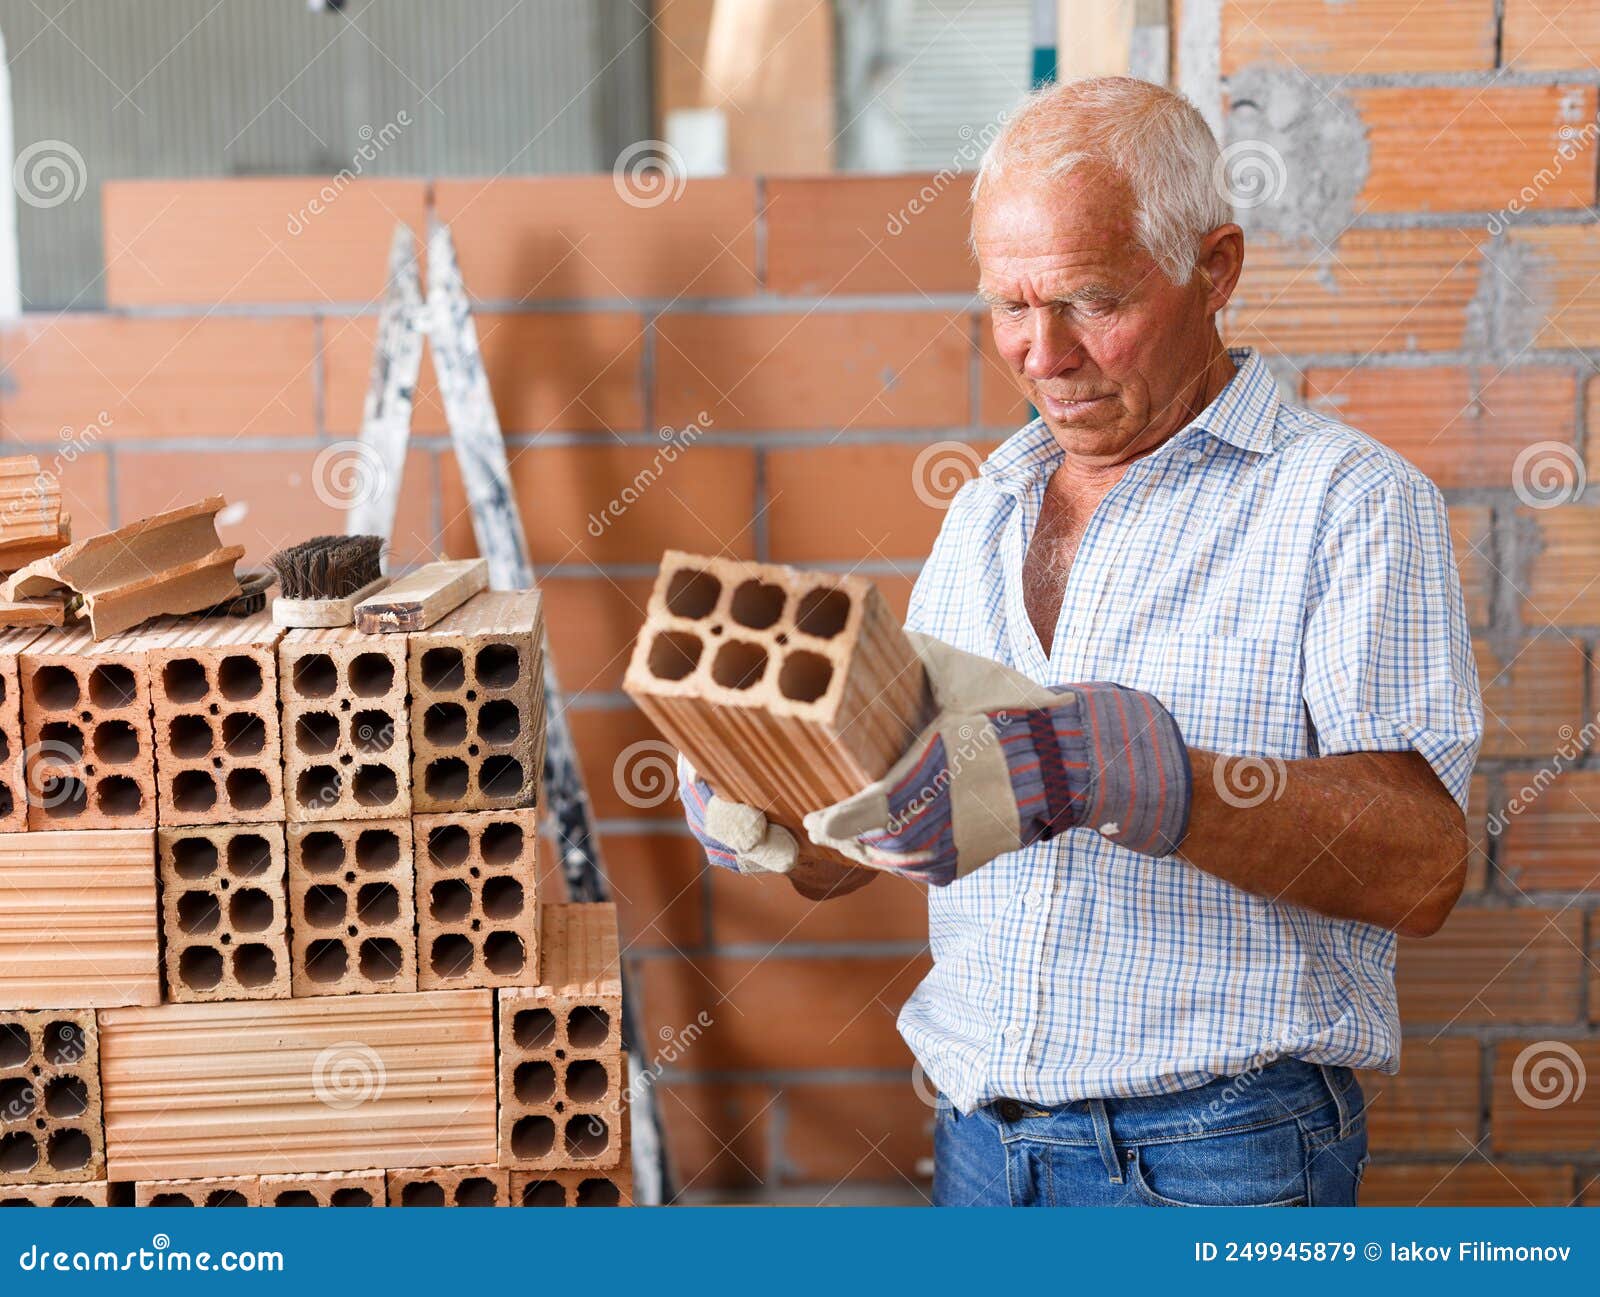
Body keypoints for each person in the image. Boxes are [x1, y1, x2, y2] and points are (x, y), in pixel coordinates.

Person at [677, 76, 1482, 1207]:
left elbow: (1426, 865)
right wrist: (774, 807)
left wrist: (1143, 774)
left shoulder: (1344, 503)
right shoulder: (985, 507)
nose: (1041, 353)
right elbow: (888, 825)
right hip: (980, 1142)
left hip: (1217, 1156)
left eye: (1089, 301)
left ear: (1216, 270)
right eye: (1009, 304)